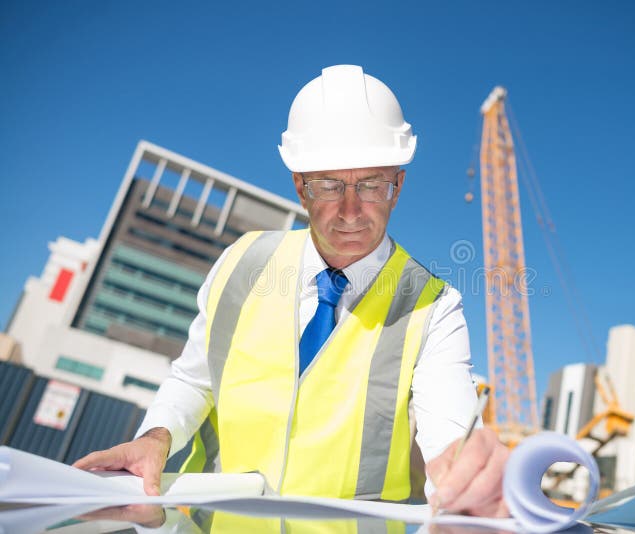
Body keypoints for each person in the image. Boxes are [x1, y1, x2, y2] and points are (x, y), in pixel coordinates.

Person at [75, 65, 509, 517]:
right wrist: (155, 438)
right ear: (300, 188)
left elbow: (449, 427)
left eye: (371, 186)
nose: (350, 211)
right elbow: (194, 378)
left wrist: (467, 481)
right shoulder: (242, 262)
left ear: (397, 187)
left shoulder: (433, 306)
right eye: (328, 186)